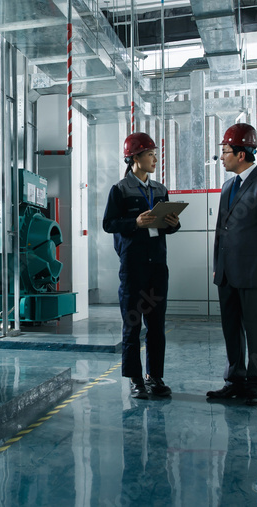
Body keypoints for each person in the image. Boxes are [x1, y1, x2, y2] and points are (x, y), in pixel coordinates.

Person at [207, 123, 257, 406]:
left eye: (226, 151)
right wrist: (218, 264)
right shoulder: (228, 186)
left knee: (256, 330)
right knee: (231, 330)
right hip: (227, 273)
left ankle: (255, 383)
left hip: (255, 273)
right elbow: (221, 229)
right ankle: (234, 380)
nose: (222, 157)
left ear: (242, 154)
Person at [102, 132, 180, 399]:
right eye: (149, 154)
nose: (155, 159)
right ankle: (135, 379)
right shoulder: (120, 190)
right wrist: (135, 223)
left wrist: (172, 223)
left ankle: (155, 377)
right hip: (133, 266)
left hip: (158, 265)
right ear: (135, 158)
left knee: (156, 325)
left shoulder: (160, 190)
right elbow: (109, 224)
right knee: (133, 324)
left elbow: (170, 228)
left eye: (154, 154)